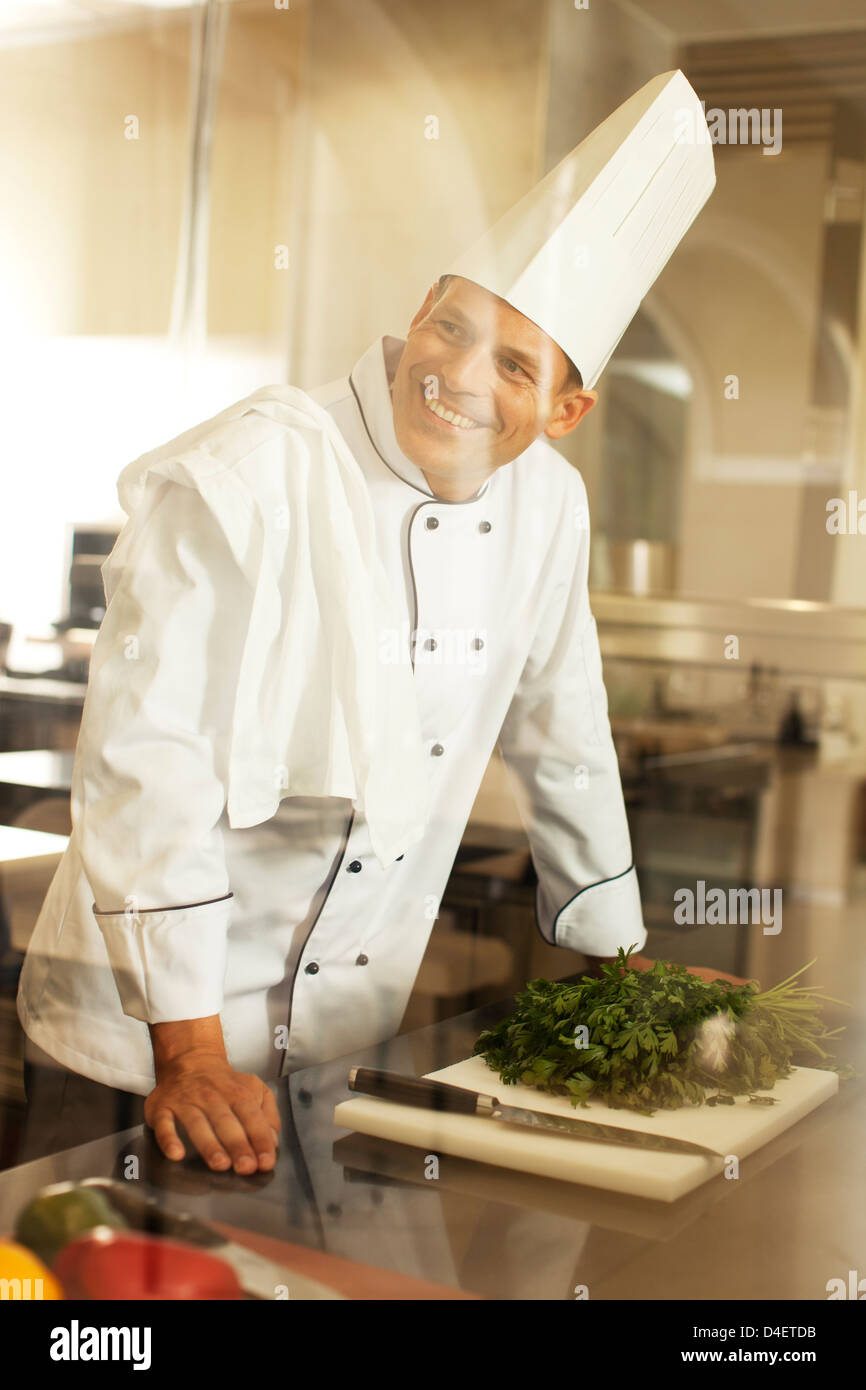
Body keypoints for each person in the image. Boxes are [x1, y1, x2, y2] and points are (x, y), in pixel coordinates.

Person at [18, 70, 732, 1175]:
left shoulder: (547, 506)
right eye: (450, 325)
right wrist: (192, 1049)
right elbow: (145, 760)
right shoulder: (248, 471)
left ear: (564, 411)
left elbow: (563, 730)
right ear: (418, 312)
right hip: (142, 1043)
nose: (451, 373)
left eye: (511, 362)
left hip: (346, 1039)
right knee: (103, 1307)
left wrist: (619, 962)